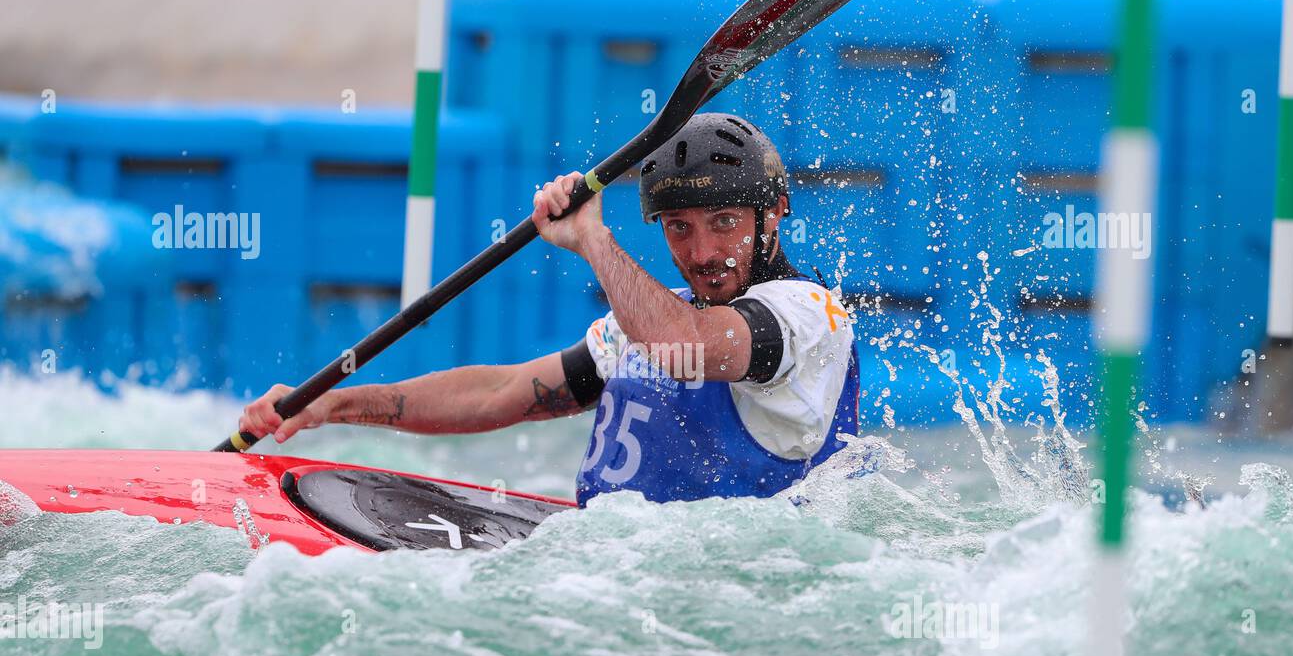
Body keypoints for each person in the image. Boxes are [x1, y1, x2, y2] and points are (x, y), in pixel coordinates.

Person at [238, 112, 860, 505]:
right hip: (619, 570)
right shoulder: (646, 322)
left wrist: (592, 237)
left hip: (740, 590)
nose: (702, 253)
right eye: (678, 228)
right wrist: (332, 404)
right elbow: (500, 395)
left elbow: (693, 345)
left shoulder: (810, 318)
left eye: (724, 223)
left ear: (776, 210)